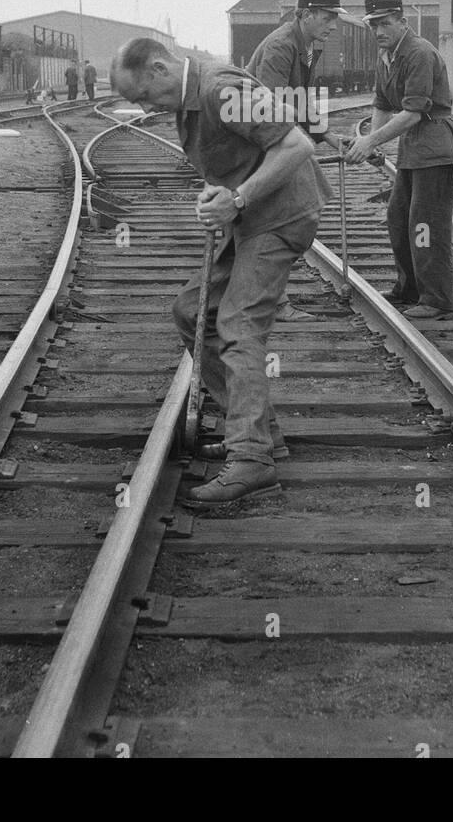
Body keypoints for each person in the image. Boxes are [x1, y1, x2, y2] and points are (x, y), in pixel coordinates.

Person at [111, 38, 330, 505]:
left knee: (237, 324)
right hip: (252, 218)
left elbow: (296, 145)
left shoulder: (219, 88)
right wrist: (217, 192)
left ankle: (252, 462)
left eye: (144, 97)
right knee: (192, 311)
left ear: (159, 68)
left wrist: (239, 198)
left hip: (280, 216)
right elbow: (231, 156)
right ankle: (256, 434)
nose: (146, 109)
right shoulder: (190, 101)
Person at [345, 0, 453, 320]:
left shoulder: (418, 53)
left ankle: (437, 299)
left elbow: (413, 112)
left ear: (402, 21)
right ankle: (410, 288)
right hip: (412, 148)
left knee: (426, 223)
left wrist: (371, 143)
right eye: (374, 25)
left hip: (434, 146)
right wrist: (372, 140)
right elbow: (383, 104)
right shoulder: (387, 56)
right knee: (399, 219)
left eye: (386, 23)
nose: (379, 30)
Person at [247, 0, 348, 320]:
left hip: (274, 138)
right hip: (259, 142)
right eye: (328, 17)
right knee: (287, 218)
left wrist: (330, 137)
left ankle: (272, 301)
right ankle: (273, 304)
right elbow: (271, 107)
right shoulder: (281, 46)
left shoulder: (301, 44)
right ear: (305, 15)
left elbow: (299, 100)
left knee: (292, 216)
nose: (333, 25)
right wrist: (293, 152)